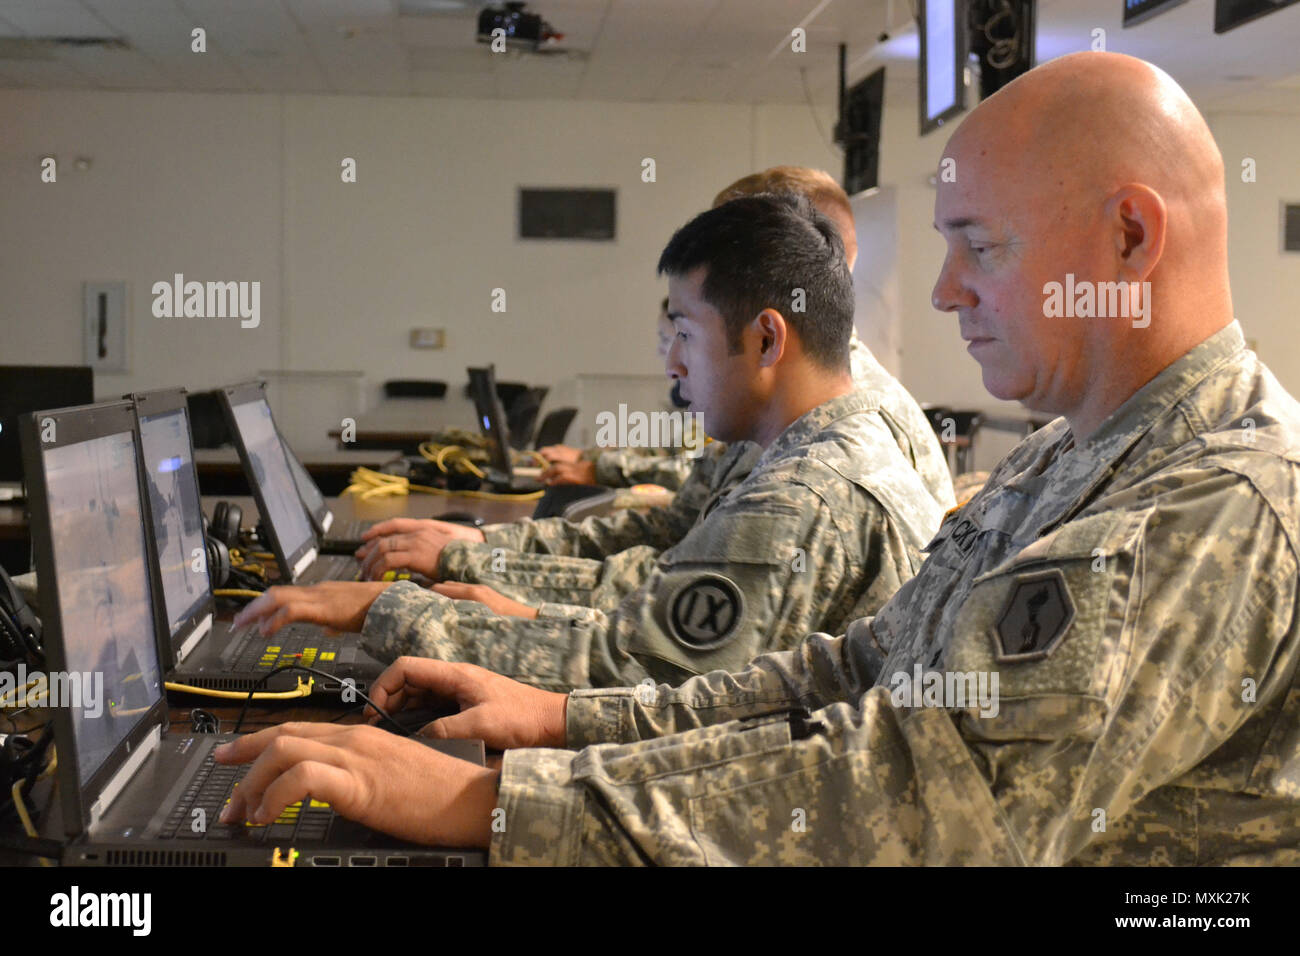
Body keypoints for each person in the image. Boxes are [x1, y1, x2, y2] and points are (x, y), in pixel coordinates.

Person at [219, 51, 1300, 864]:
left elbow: (924, 801)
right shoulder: (1066, 455)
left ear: (1127, 237)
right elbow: (858, 669)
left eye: (980, 242)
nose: (942, 290)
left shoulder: (1222, 497)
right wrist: (569, 722)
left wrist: (504, 803)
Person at [233, 194, 948, 691]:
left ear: (766, 337)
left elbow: (633, 670)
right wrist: (508, 602)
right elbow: (673, 638)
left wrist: (382, 608)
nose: (671, 364)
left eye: (685, 335)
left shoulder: (806, 494)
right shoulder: (820, 448)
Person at [352, 168, 954, 614]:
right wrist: (487, 551)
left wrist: (465, 583)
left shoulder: (816, 474)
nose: (671, 360)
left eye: (686, 331)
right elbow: (679, 539)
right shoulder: (792, 414)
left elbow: (659, 638)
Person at [538, 297, 703, 491]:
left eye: (665, 339)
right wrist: (588, 458)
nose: (661, 352)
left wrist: (598, 471)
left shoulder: (715, 411)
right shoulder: (696, 407)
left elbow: (691, 472)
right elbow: (666, 454)